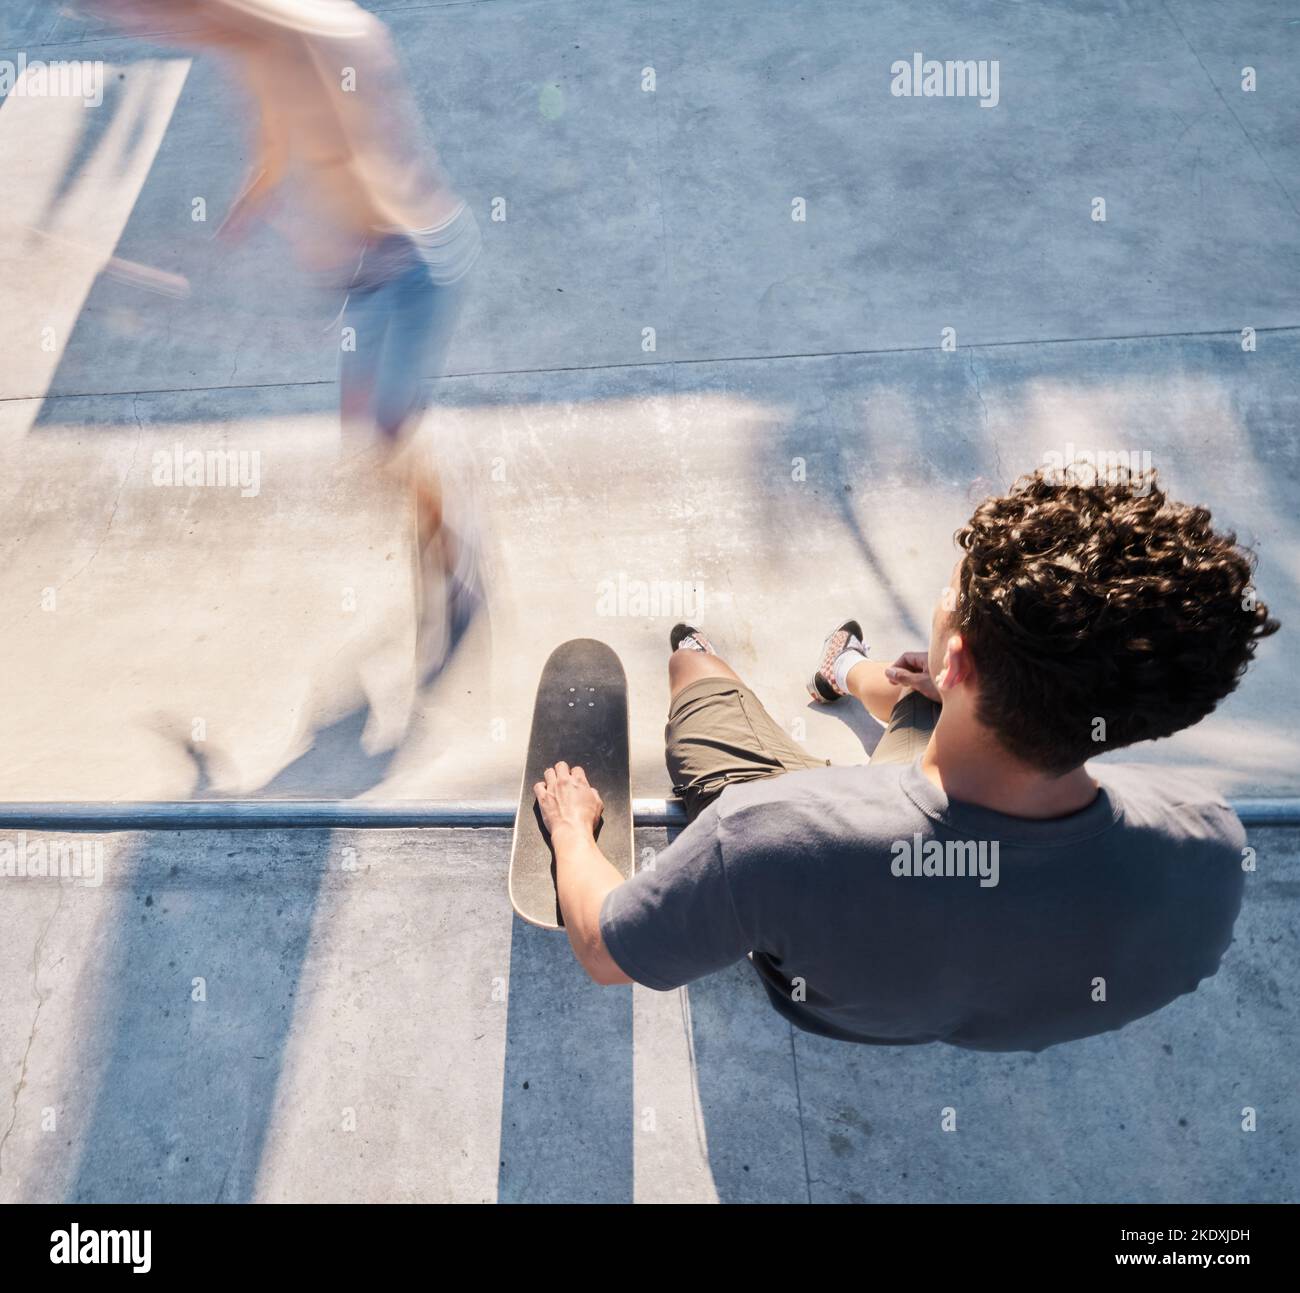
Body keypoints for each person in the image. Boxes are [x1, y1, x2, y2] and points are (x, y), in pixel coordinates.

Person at [534, 468, 1279, 1051]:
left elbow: (604, 950)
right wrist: (955, 695)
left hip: (826, 1000)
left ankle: (726, 659)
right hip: (942, 884)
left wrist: (573, 829)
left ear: (959, 658)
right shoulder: (1209, 846)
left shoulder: (763, 836)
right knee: (910, 695)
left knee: (696, 673)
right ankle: (847, 668)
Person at [86, 0, 483, 672]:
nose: (164, 32)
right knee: (373, 438)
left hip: (416, 265)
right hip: (364, 275)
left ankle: (458, 560)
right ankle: (442, 539)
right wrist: (255, 197)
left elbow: (342, 91)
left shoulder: (320, 33)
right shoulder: (257, 54)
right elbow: (273, 141)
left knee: (385, 428)